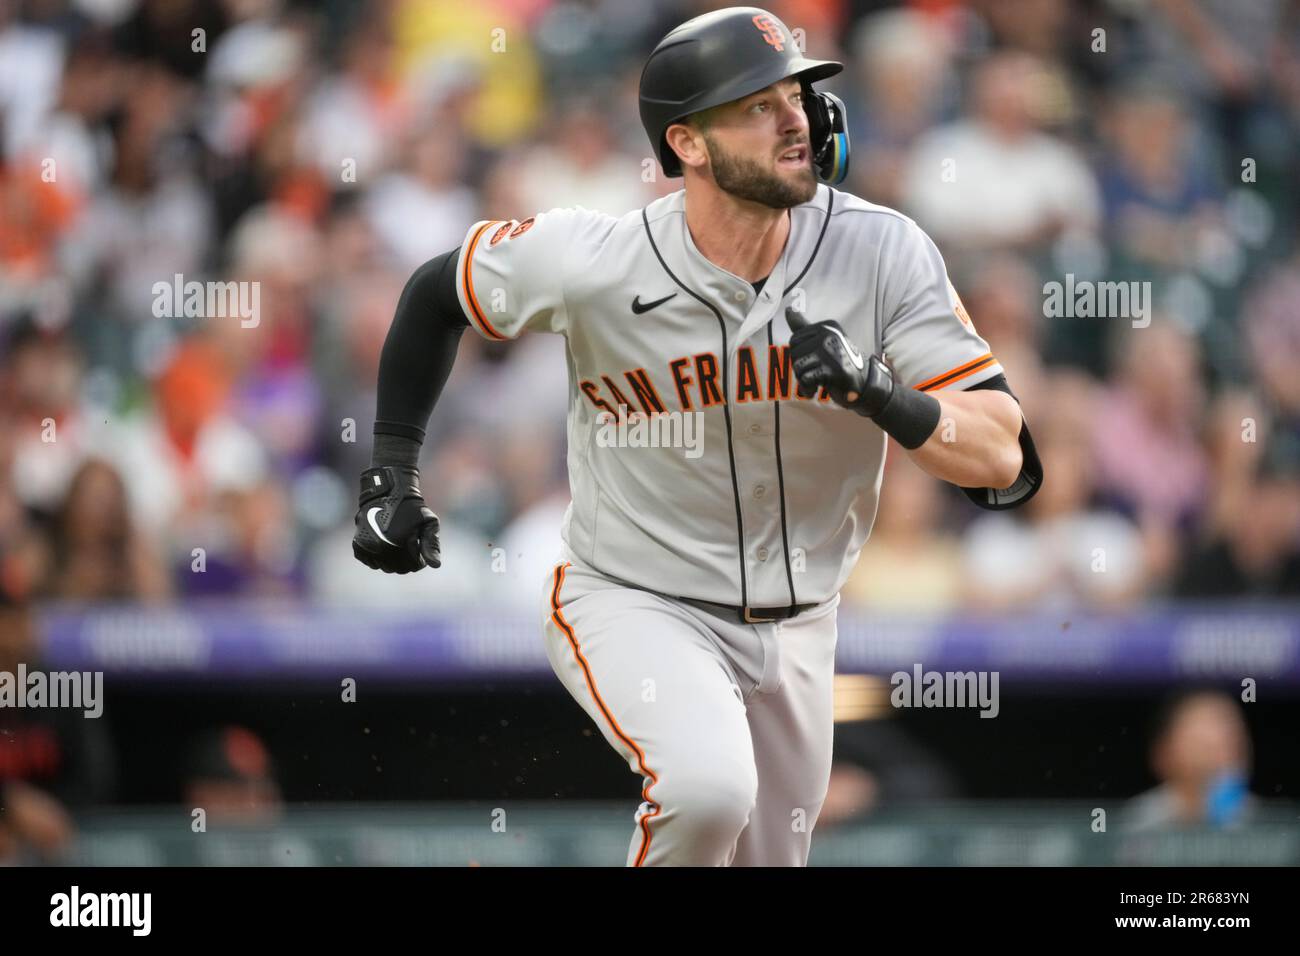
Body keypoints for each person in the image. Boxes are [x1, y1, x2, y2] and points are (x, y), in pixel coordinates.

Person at [351, 7, 1042, 866]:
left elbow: (1005, 457)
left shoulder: (883, 252)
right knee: (706, 790)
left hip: (800, 623)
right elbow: (434, 293)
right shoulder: (599, 258)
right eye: (757, 103)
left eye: (796, 93)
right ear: (687, 144)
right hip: (635, 594)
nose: (795, 117)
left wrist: (882, 392)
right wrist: (392, 471)